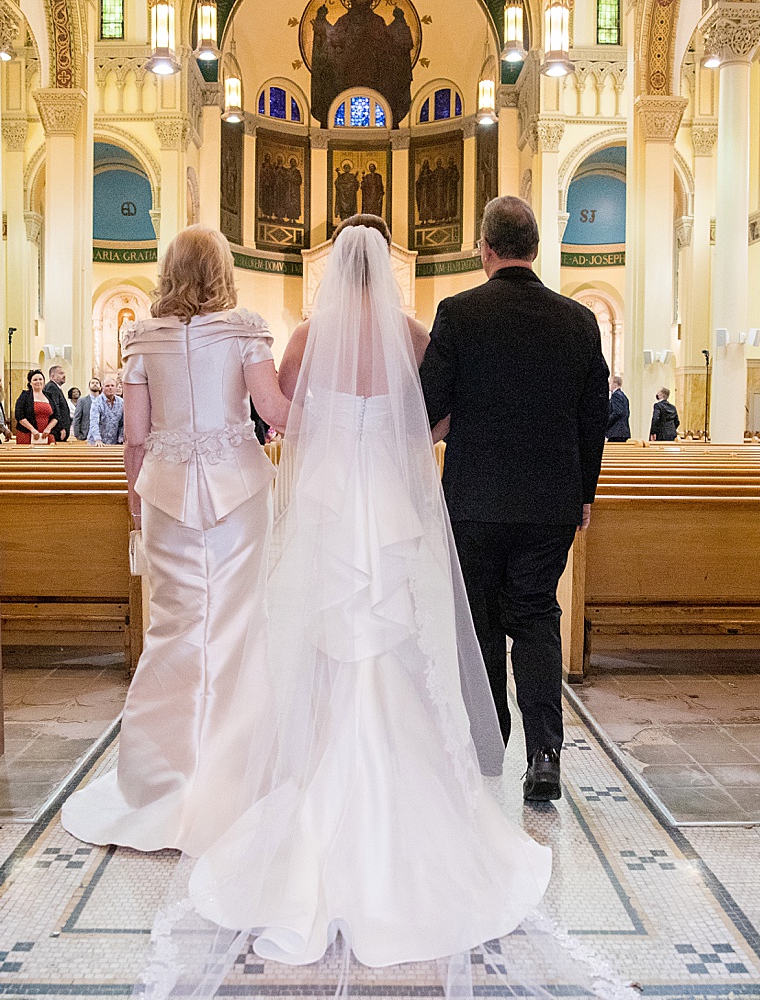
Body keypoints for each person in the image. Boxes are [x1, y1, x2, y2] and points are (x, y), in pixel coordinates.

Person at [165, 219, 550, 978]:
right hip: (391, 505)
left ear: (336, 270)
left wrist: (335, 435)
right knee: (397, 635)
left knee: (325, 633)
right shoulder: (414, 334)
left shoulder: (307, 336)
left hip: (332, 505)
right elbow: (439, 415)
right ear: (389, 267)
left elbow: (282, 413)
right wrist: (392, 436)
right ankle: (409, 793)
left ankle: (314, 783)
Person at [61, 226, 291, 857]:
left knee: (172, 628)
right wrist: (345, 418)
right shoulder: (244, 330)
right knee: (238, 624)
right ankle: (235, 776)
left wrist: (137, 510)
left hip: (165, 495)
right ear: (222, 271)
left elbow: (135, 440)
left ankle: (161, 779)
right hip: (238, 494)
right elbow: (274, 411)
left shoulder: (142, 338)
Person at [419, 195, 610, 802]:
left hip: (474, 499)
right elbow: (593, 418)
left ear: (485, 249)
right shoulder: (579, 321)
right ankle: (545, 754)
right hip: (550, 502)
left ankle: (487, 742)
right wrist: (584, 494)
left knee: (478, 618)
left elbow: (427, 404)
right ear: (536, 248)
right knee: (535, 615)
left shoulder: (459, 313)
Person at [15, 369, 59, 444]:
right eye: (35, 380)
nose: (38, 381)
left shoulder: (49, 396)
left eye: (40, 379)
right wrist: (32, 429)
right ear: (30, 382)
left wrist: (48, 428)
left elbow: (56, 416)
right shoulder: (24, 396)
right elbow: (19, 416)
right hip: (27, 433)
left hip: (46, 434)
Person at [87, 378, 124, 446]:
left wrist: (121, 438)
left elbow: (123, 423)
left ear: (116, 387)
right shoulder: (96, 402)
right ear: (102, 388)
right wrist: (97, 439)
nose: (110, 388)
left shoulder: (121, 402)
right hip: (96, 442)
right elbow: (94, 422)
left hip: (114, 442)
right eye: (107, 386)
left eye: (112, 385)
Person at [46, 365, 72, 440]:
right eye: (61, 373)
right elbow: (55, 408)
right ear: (52, 376)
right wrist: (60, 427)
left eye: (64, 373)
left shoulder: (56, 387)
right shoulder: (52, 387)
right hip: (57, 431)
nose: (64, 376)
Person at [605, 375, 631, 441]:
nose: (609, 385)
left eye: (610, 383)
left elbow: (617, 412)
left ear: (615, 384)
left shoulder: (616, 395)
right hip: (623, 431)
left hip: (616, 431)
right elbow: (627, 413)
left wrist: (606, 422)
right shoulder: (624, 396)